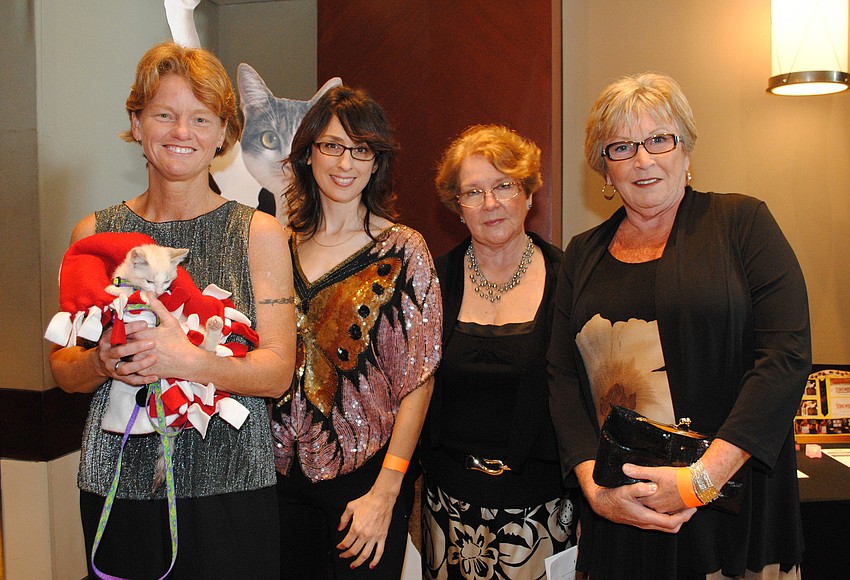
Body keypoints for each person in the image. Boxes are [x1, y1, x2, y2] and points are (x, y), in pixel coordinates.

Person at [547, 71, 811, 579]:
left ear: (686, 150)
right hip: (621, 514)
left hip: (732, 512)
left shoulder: (744, 224)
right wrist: (594, 490)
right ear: (605, 169)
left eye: (659, 140)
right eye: (622, 147)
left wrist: (699, 482)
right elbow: (560, 377)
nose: (643, 159)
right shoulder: (582, 254)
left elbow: (785, 357)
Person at [49, 41, 296, 578]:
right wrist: (100, 362)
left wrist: (188, 360)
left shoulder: (258, 234)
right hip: (118, 485)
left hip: (231, 485)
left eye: (200, 118)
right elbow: (63, 370)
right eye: (164, 114)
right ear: (136, 123)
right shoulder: (94, 234)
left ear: (224, 134)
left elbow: (278, 373)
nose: (182, 132)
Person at [270, 85, 442, 578]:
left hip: (364, 485)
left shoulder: (403, 249)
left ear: (376, 162)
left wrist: (386, 493)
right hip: (278, 483)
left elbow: (419, 380)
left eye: (361, 149)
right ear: (308, 155)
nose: (345, 163)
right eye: (332, 146)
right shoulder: (276, 246)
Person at [420, 124, 574, 579]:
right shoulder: (431, 282)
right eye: (473, 192)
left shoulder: (569, 280)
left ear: (528, 194)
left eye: (504, 186)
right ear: (458, 208)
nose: (490, 203)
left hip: (541, 512)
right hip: (448, 508)